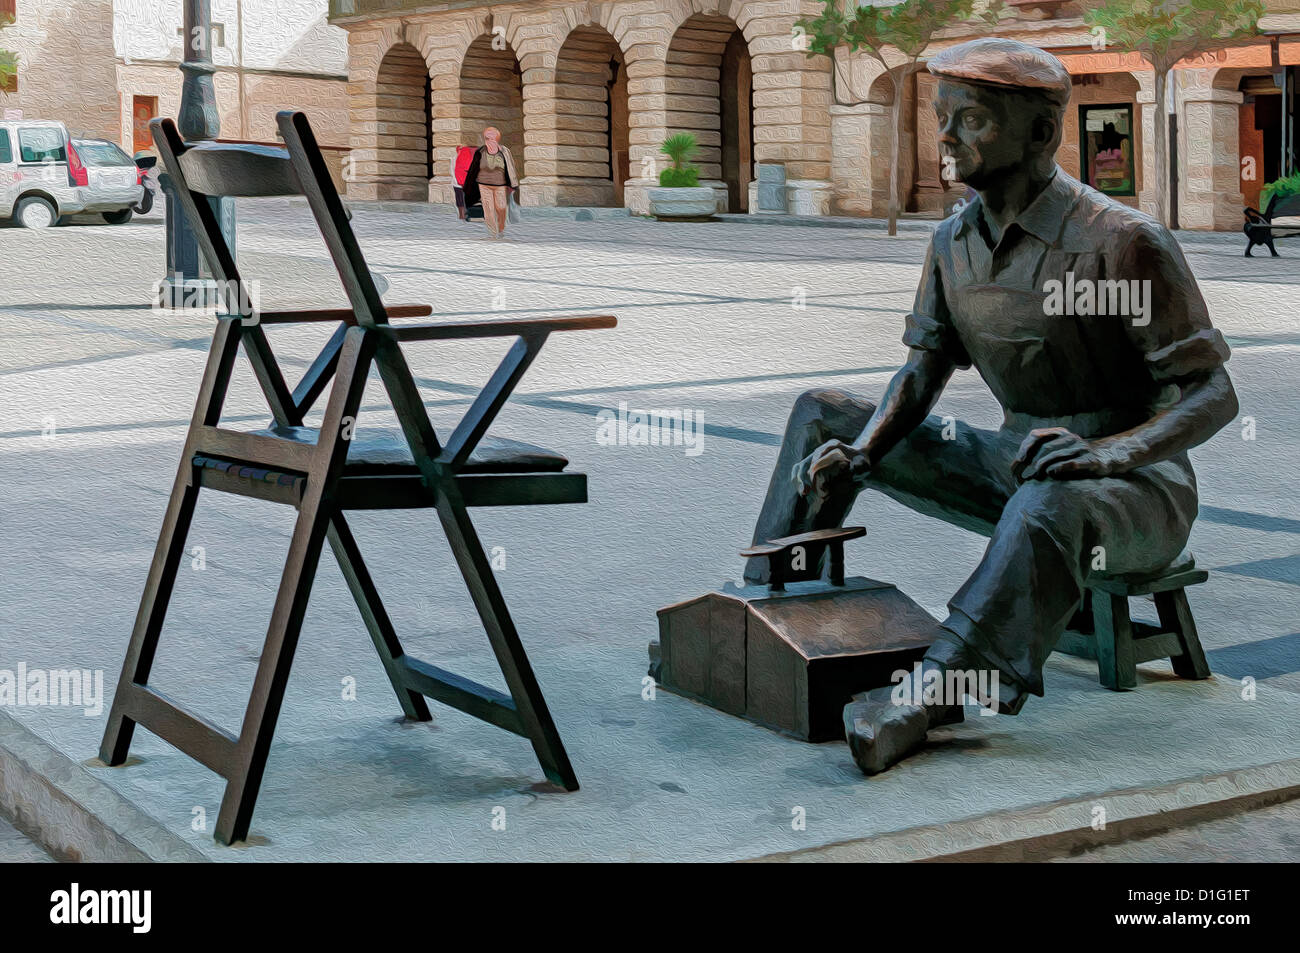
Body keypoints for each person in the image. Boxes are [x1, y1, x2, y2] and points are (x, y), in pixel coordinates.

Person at [744, 37, 1238, 776]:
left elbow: (1214, 392)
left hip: (1136, 488)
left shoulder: (1124, 241)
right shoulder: (951, 242)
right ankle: (752, 618)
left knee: (1050, 506)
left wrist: (1106, 454)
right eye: (942, 117)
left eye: (969, 120)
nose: (945, 137)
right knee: (823, 412)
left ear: (1041, 134)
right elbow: (923, 369)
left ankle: (935, 690)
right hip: (1020, 461)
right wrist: (868, 449)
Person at [462, 126, 519, 239]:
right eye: (487, 138)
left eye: (491, 138)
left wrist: (513, 182)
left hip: (500, 185)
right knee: (488, 209)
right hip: (483, 184)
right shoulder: (481, 151)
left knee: (501, 207)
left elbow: (511, 167)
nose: (489, 141)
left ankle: (501, 228)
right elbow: (474, 168)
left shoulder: (504, 151)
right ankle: (493, 232)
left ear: (497, 139)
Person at [452, 144, 475, 220]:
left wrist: (456, 180)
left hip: (457, 183)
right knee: (467, 199)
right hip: (468, 183)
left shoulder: (454, 158)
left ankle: (461, 215)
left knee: (459, 199)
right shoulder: (470, 158)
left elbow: (452, 171)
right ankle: (468, 213)